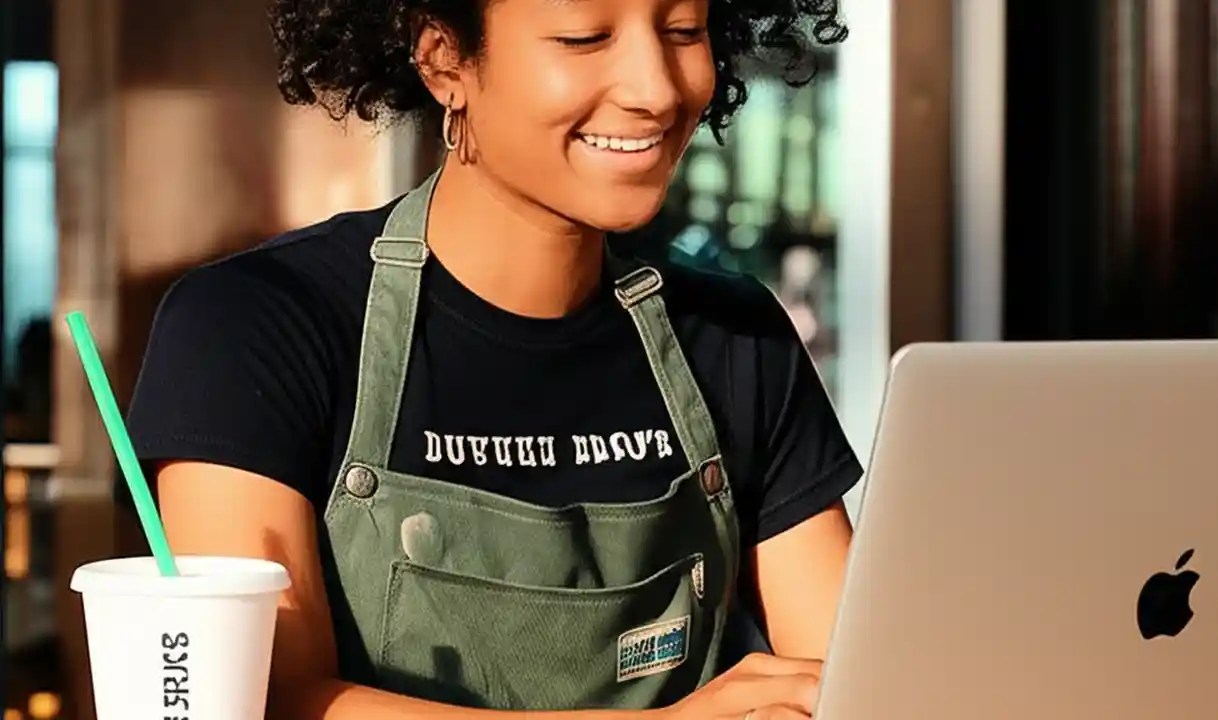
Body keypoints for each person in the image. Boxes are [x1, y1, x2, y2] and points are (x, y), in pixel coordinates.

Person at [125, 0, 860, 715]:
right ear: (444, 59)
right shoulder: (253, 326)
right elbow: (261, 696)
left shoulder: (734, 338)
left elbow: (858, 677)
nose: (656, 88)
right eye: (583, 37)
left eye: (682, 30)